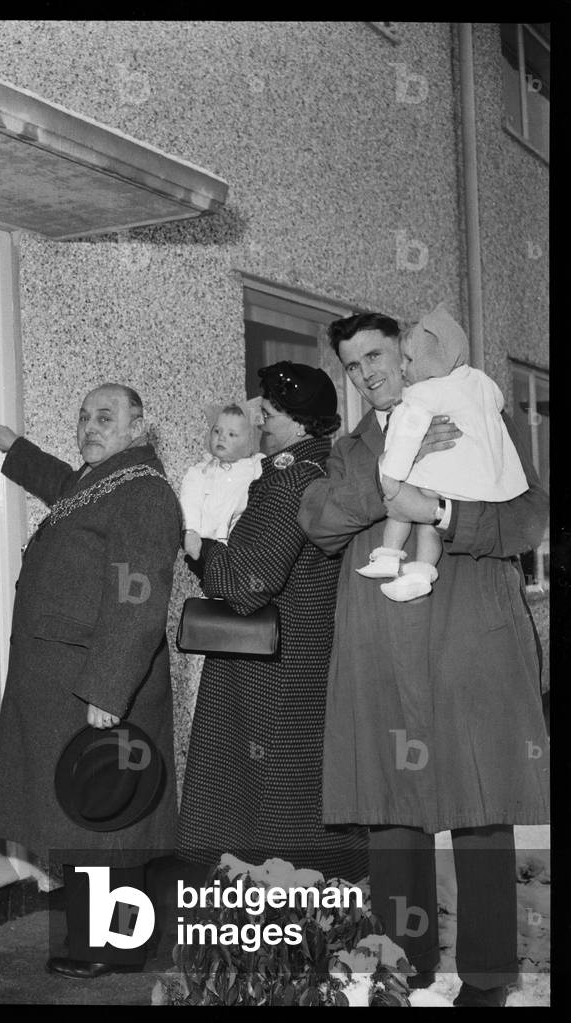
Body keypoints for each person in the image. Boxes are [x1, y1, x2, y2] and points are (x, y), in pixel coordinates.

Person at [299, 312, 549, 1007]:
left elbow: (528, 519)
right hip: (383, 650)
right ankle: (402, 964)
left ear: (406, 353)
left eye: (377, 354)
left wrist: (440, 510)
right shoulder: (351, 449)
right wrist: (389, 477)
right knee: (393, 815)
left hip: (468, 641)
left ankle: (490, 975)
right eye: (353, 364)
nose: (369, 371)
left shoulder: (471, 413)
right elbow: (317, 522)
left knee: (480, 808)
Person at [0, 384, 182, 979]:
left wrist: (108, 689)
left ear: (138, 425)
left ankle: (111, 948)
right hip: (65, 682)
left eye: (106, 417)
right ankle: (103, 940)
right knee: (85, 818)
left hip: (95, 685)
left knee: (108, 826)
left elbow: (137, 599)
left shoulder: (144, 494)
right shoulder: (99, 484)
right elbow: (59, 484)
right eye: (84, 417)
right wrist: (15, 449)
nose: (90, 426)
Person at [176, 362, 368, 884]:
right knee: (307, 792)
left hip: (266, 670)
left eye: (271, 409)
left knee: (262, 810)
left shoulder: (287, 479)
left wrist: (203, 548)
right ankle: (323, 915)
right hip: (306, 656)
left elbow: (246, 581)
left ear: (298, 423)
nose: (259, 417)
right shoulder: (328, 467)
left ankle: (270, 939)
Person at [356, 304, 528, 602]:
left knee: (404, 499)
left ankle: (388, 554)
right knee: (429, 528)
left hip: (450, 491)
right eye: (352, 366)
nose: (401, 367)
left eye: (407, 359)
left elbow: (407, 438)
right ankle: (421, 571)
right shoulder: (479, 382)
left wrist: (392, 477)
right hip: (485, 482)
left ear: (431, 360)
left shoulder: (424, 393)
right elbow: (497, 400)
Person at [180, 401, 264, 560]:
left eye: (232, 434)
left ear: (250, 440)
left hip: (239, 544)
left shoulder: (255, 467)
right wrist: (191, 531)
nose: (222, 437)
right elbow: (190, 501)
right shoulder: (202, 471)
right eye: (217, 431)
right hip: (205, 542)